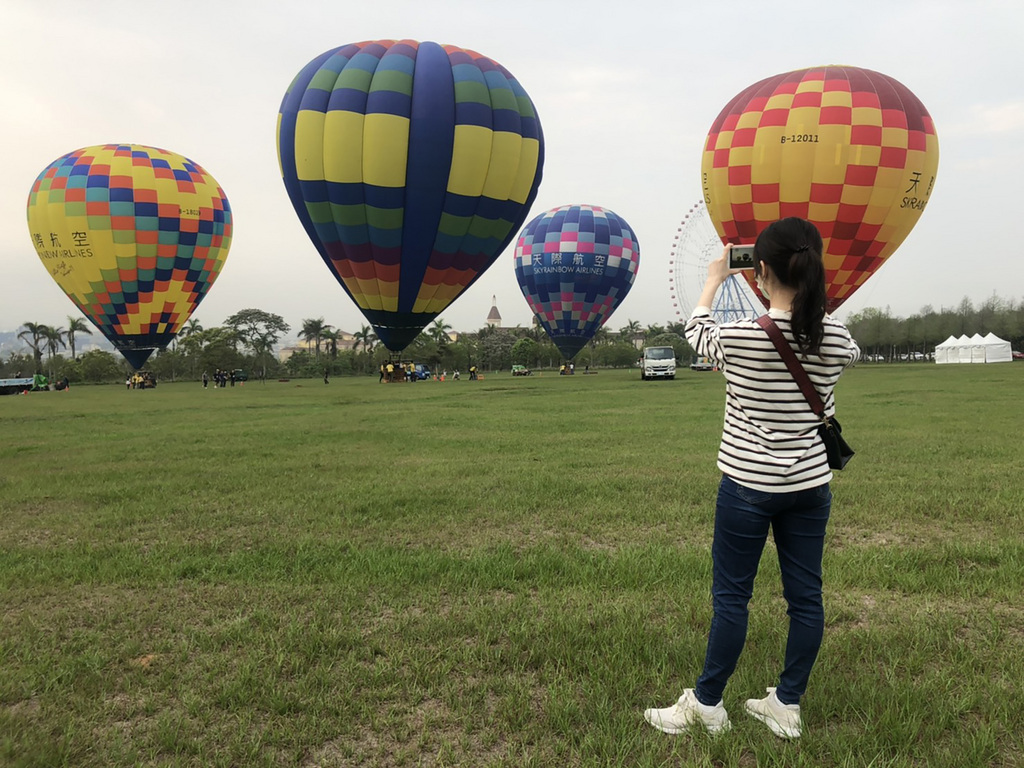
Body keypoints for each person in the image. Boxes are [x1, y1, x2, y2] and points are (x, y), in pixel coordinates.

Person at [643, 218, 860, 740]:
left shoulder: (742, 337)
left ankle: (707, 705)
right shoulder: (837, 338)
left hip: (746, 486)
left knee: (733, 598)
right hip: (810, 486)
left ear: (759, 271)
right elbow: (842, 349)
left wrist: (715, 278)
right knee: (806, 597)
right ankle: (786, 704)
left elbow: (697, 333)